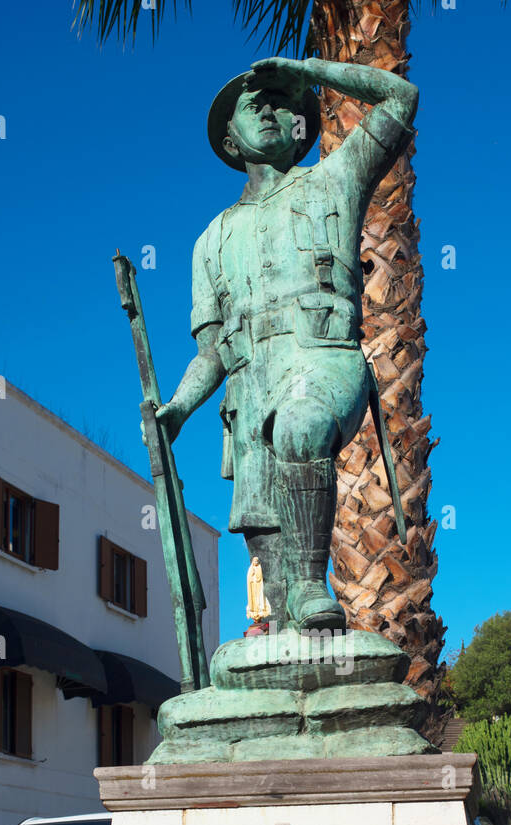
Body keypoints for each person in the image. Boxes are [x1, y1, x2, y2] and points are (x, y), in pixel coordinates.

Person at [156, 54, 418, 631]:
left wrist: (310, 69)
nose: (272, 113)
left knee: (299, 424)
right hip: (250, 389)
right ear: (231, 137)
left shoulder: (334, 178)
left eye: (282, 103)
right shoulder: (210, 242)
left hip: (322, 359)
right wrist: (176, 410)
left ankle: (309, 584)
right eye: (257, 106)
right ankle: (290, 637)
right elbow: (211, 354)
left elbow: (401, 98)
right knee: (270, 564)